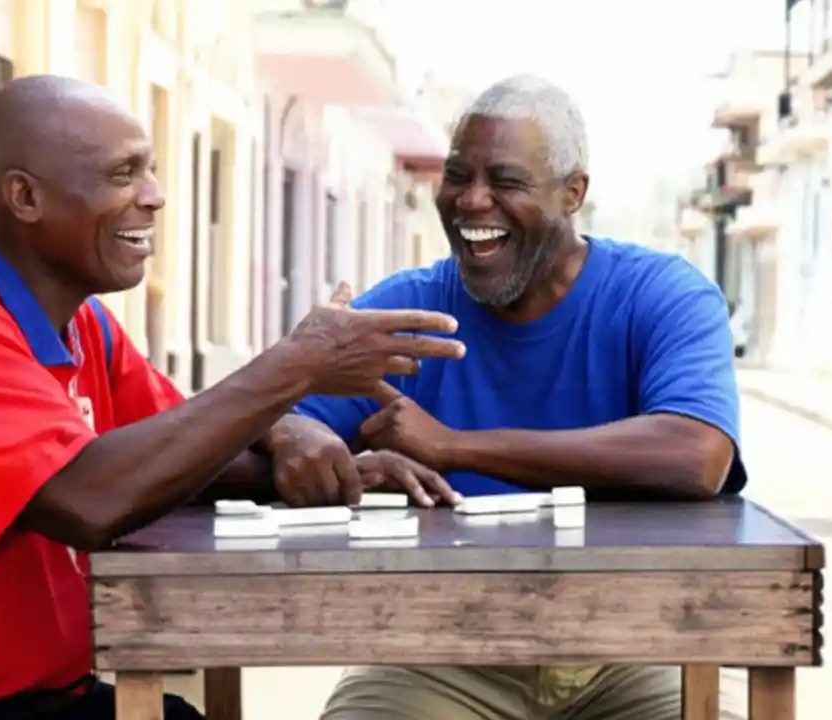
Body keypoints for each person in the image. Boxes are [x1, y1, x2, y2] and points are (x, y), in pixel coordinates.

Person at [0, 75, 466, 720]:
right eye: (122, 174)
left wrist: (310, 457)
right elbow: (91, 501)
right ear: (24, 198)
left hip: (35, 697)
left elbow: (181, 451)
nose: (156, 195)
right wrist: (294, 367)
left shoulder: (80, 325)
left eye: (150, 168)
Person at [262, 74, 745, 719]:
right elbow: (262, 415)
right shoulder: (409, 309)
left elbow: (696, 456)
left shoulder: (661, 295)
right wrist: (289, 429)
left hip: (635, 643)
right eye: (458, 176)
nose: (472, 201)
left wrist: (452, 447)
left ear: (573, 193)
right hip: (437, 651)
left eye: (507, 182)